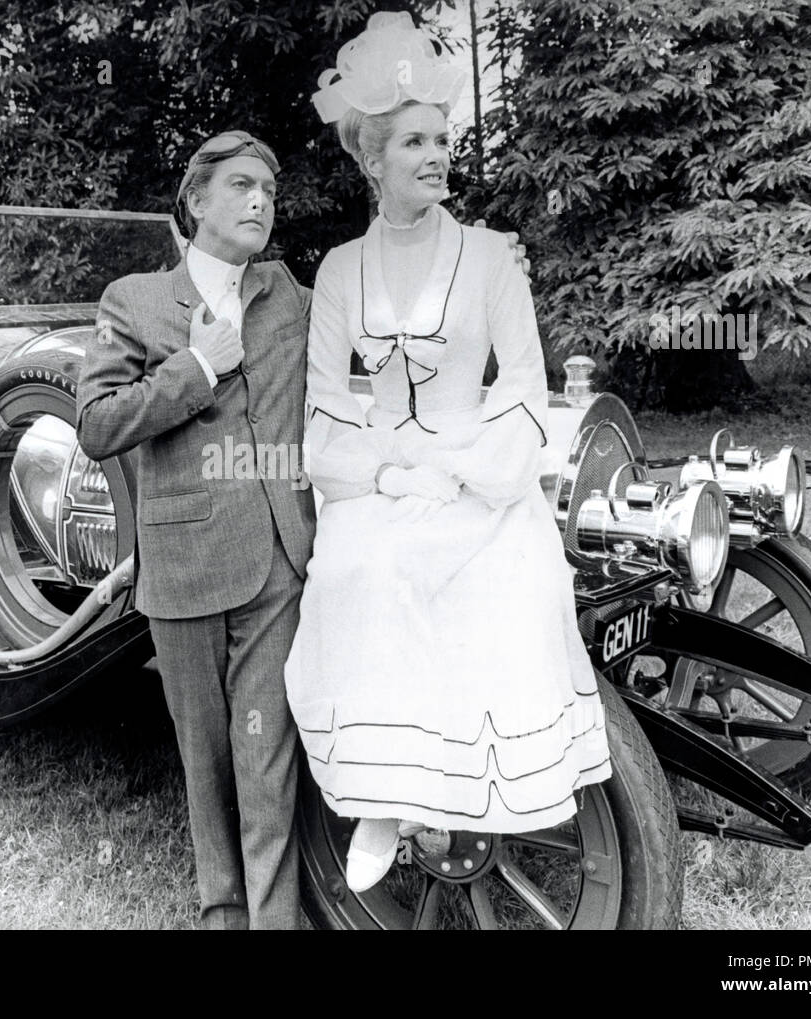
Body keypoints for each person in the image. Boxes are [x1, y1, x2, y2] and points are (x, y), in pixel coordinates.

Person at [283, 11, 612, 894]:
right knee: (358, 570)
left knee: (503, 580)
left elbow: (524, 385)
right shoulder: (342, 272)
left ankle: (473, 786)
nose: (436, 155)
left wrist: (468, 468)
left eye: (442, 139)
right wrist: (386, 472)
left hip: (476, 475)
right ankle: (382, 799)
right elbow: (323, 399)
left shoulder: (490, 257)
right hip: (379, 477)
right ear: (373, 159)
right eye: (416, 142)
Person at [75, 131, 315, 929]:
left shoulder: (292, 295)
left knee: (268, 756)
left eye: (269, 192)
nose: (259, 202)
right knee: (205, 760)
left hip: (279, 561)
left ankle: (274, 921)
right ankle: (222, 911)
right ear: (197, 202)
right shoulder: (134, 300)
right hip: (181, 565)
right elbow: (98, 424)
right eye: (243, 185)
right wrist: (196, 368)